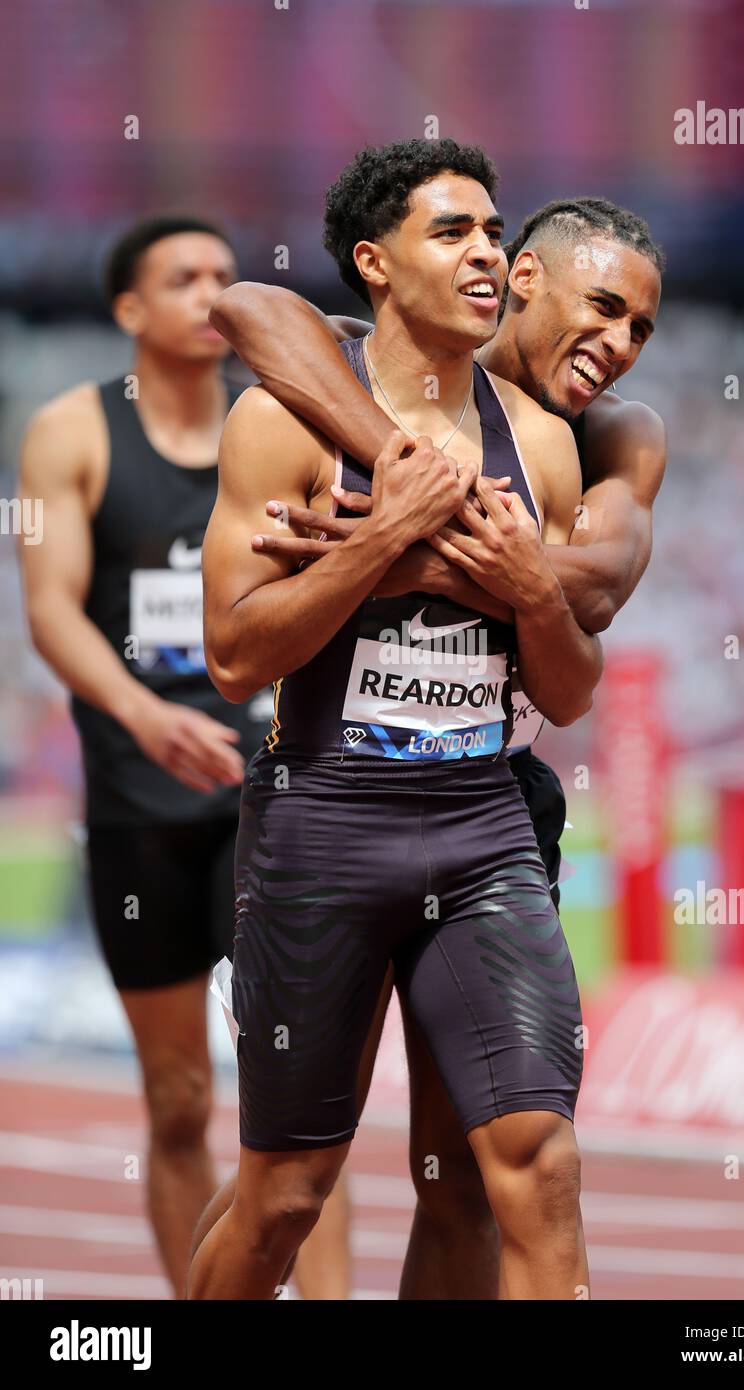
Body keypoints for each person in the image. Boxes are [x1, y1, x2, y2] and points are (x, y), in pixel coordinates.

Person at [192, 189, 665, 1298]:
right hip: (325, 810)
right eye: (604, 308)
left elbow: (595, 585)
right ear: (525, 281)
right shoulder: (352, 364)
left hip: (494, 800)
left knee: (489, 1173)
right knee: (288, 1188)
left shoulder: (599, 435)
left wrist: (424, 539)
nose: (620, 347)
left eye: (642, 328)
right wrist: (416, 493)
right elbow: (251, 307)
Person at [16, 215, 351, 1300]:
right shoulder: (72, 433)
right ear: (129, 310)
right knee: (178, 1100)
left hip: (279, 798)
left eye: (226, 274)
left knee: (298, 1097)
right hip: (138, 802)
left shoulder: (284, 423)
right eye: (185, 276)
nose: (215, 292)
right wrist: (139, 711)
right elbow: (52, 611)